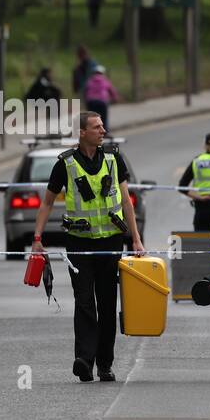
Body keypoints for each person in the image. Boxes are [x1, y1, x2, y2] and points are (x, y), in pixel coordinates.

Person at [32, 112, 145, 383]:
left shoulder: (113, 158)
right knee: (84, 302)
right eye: (96, 127)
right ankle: (84, 359)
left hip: (110, 242)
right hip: (79, 244)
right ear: (82, 133)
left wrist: (136, 239)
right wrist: (37, 239)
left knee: (107, 304)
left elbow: (127, 202)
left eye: (102, 126)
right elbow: (47, 202)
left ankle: (105, 364)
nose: (102, 131)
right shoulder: (65, 164)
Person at [83, 65, 120, 131]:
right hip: (102, 101)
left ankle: (90, 131)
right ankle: (104, 131)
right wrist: (115, 98)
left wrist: (86, 101)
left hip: (91, 101)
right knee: (103, 118)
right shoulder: (105, 80)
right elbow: (111, 90)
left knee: (91, 118)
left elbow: (85, 91)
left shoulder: (90, 81)